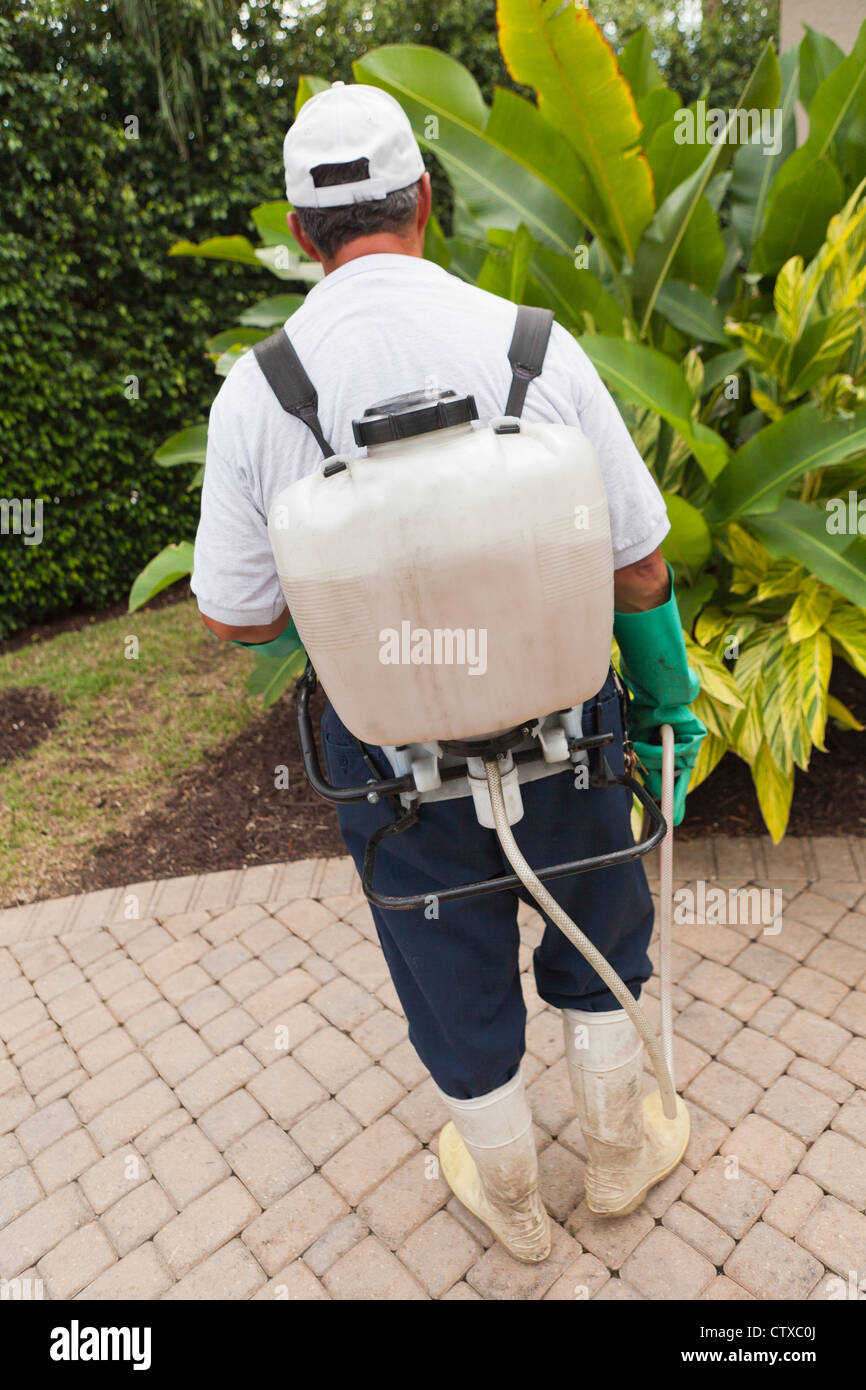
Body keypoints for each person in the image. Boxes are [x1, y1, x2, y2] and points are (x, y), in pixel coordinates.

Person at [191, 82, 706, 1264]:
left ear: (297, 230)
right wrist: (667, 701)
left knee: (442, 961)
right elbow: (636, 565)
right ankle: (618, 1153)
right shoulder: (532, 345)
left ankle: (510, 1196)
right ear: (425, 198)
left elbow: (236, 615)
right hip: (567, 728)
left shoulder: (260, 391)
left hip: (390, 765)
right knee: (596, 923)